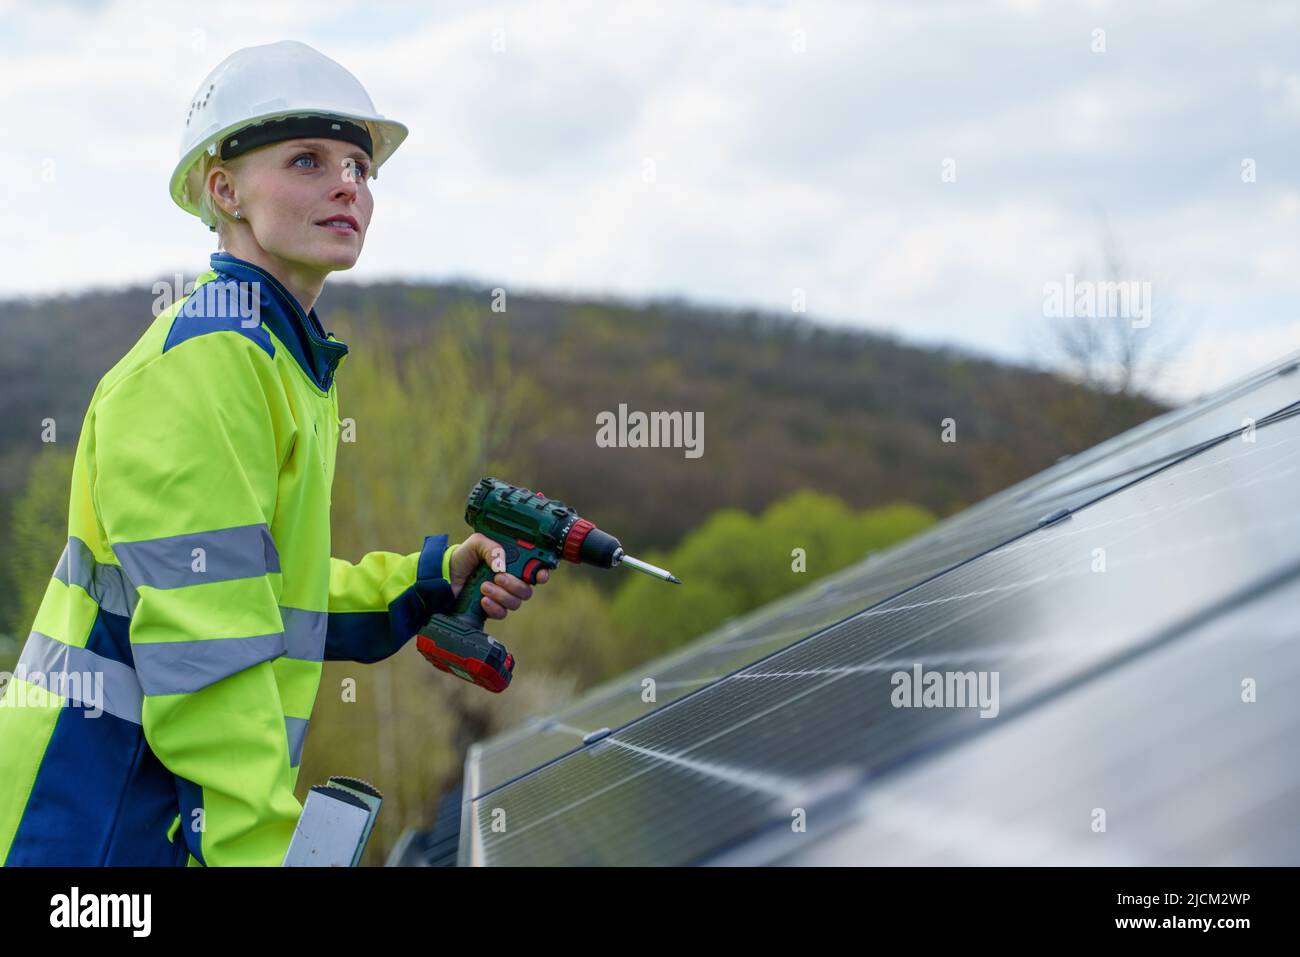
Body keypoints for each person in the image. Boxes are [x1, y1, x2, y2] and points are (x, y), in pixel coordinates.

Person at [0, 39, 546, 866]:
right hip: (87, 822)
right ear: (224, 189)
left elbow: (261, 591)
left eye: (361, 168)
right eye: (306, 159)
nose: (346, 185)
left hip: (147, 813)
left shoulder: (281, 357)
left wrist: (426, 580)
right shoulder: (207, 365)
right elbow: (208, 654)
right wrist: (268, 855)